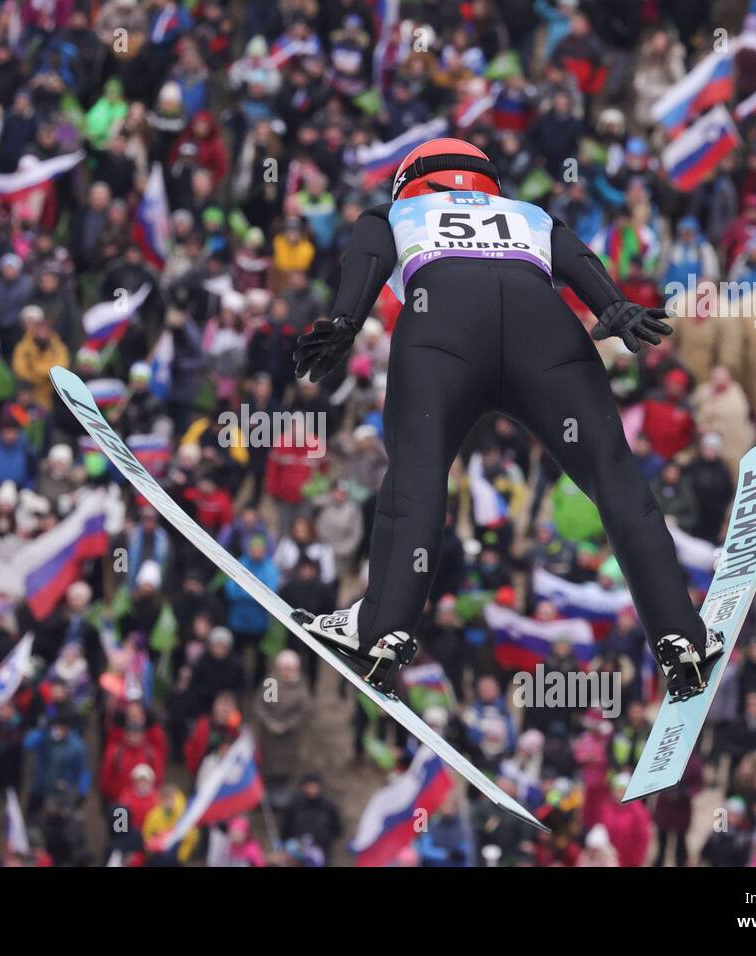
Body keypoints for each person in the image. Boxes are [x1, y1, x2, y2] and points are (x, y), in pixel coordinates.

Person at [294, 138, 719, 697]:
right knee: (615, 479)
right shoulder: (529, 213)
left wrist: (346, 322)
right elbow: (577, 260)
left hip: (442, 332)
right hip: (544, 335)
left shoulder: (396, 212)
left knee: (417, 477)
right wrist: (613, 305)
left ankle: (382, 630)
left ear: (409, 180)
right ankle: (680, 636)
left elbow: (368, 255)